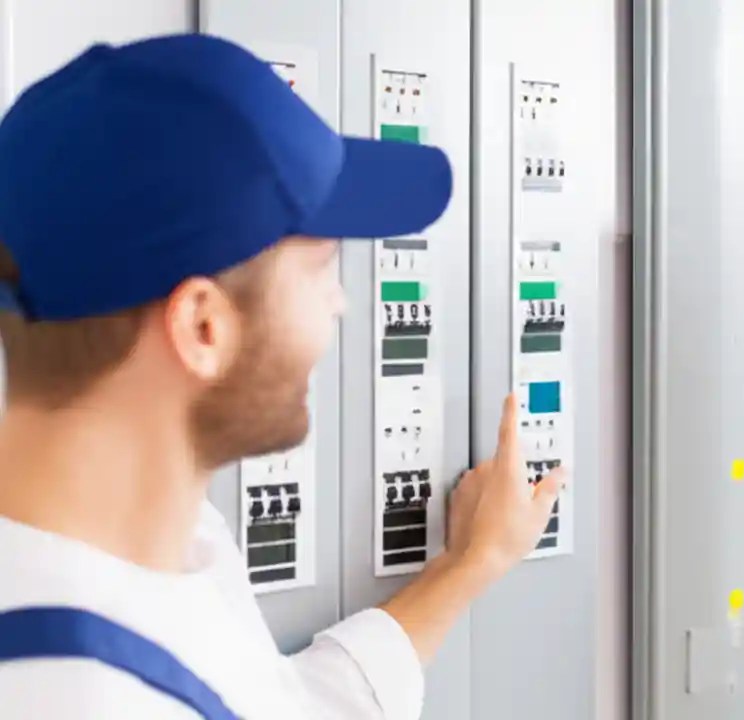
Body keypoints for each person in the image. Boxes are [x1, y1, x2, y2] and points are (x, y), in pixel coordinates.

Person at [0, 34, 563, 719]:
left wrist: (469, 564)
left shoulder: (153, 538)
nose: (341, 304)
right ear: (203, 327)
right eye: (321, 268)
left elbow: (278, 705)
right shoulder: (73, 694)